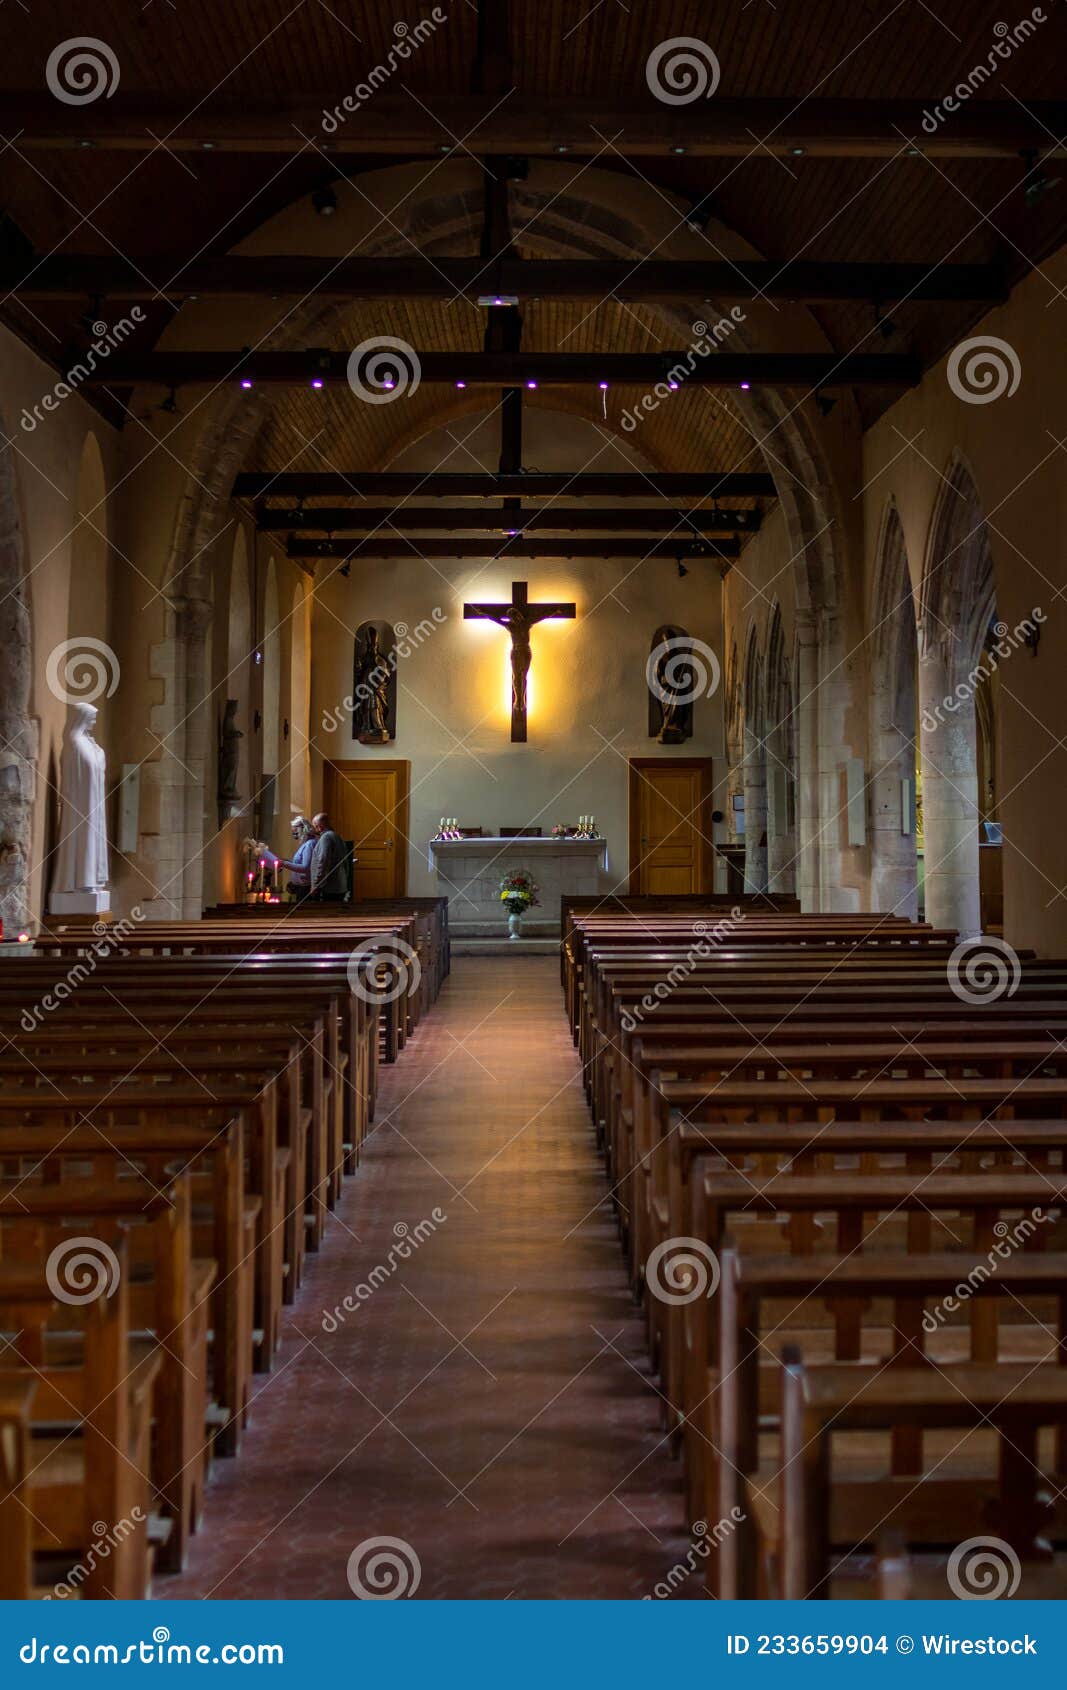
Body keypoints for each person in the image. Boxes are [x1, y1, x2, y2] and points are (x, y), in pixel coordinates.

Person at [272, 816, 316, 896]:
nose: (295, 835)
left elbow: (305, 867)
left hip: (305, 888)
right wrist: (287, 861)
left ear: (302, 829)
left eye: (296, 832)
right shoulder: (305, 844)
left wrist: (284, 863)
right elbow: (299, 863)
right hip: (300, 887)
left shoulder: (309, 844)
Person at [309, 812, 349, 900]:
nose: (315, 829)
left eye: (315, 826)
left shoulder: (326, 838)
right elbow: (346, 862)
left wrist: (316, 884)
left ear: (320, 826)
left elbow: (323, 861)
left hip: (329, 887)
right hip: (340, 885)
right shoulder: (337, 836)